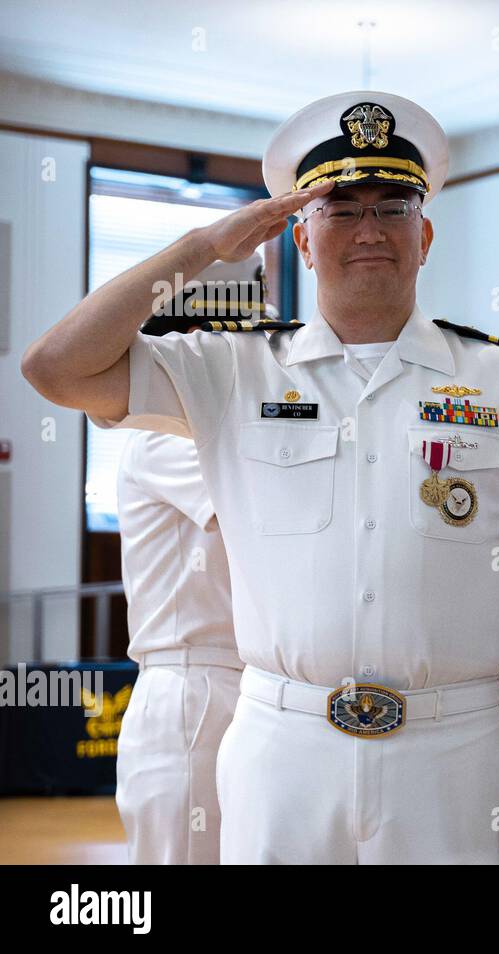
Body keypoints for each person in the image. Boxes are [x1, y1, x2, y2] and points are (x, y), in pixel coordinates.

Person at [22, 90, 499, 864]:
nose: (369, 228)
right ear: (300, 238)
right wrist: (203, 245)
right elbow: (55, 368)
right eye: (341, 207)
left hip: (454, 755)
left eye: (392, 206)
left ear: (425, 234)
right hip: (284, 752)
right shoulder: (231, 372)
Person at [115, 254, 295, 864]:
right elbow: (269, 510)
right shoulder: (163, 434)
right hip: (192, 685)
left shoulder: (219, 430)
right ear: (196, 335)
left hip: (249, 683)